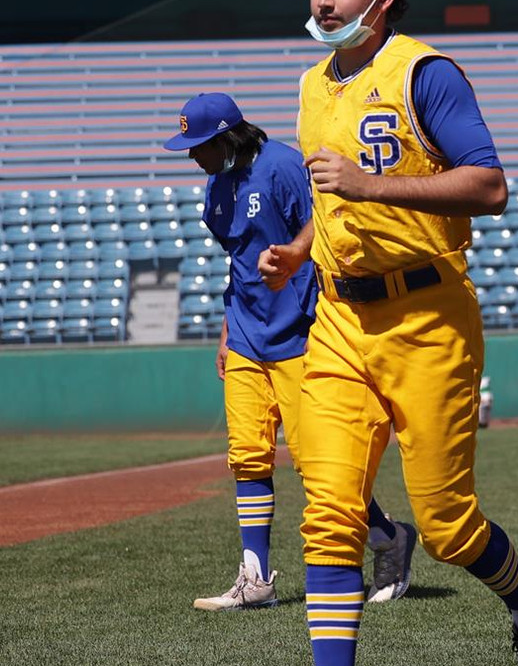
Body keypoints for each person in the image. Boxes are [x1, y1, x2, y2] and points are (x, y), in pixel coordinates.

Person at [259, 0, 518, 666]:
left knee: (447, 526)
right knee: (328, 514)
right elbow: (332, 197)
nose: (323, 0)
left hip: (428, 319)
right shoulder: (314, 84)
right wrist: (304, 248)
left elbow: (490, 186)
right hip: (338, 322)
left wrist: (370, 185)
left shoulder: (424, 73)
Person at [165, 94, 411, 612]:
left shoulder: (281, 166)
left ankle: (388, 538)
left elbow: (323, 225)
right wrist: (226, 331)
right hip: (246, 334)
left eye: (199, 145)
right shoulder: (217, 185)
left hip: (301, 331)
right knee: (247, 456)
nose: (192, 155)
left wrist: (302, 270)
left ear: (226, 138)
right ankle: (255, 578)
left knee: (318, 464)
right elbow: (238, 263)